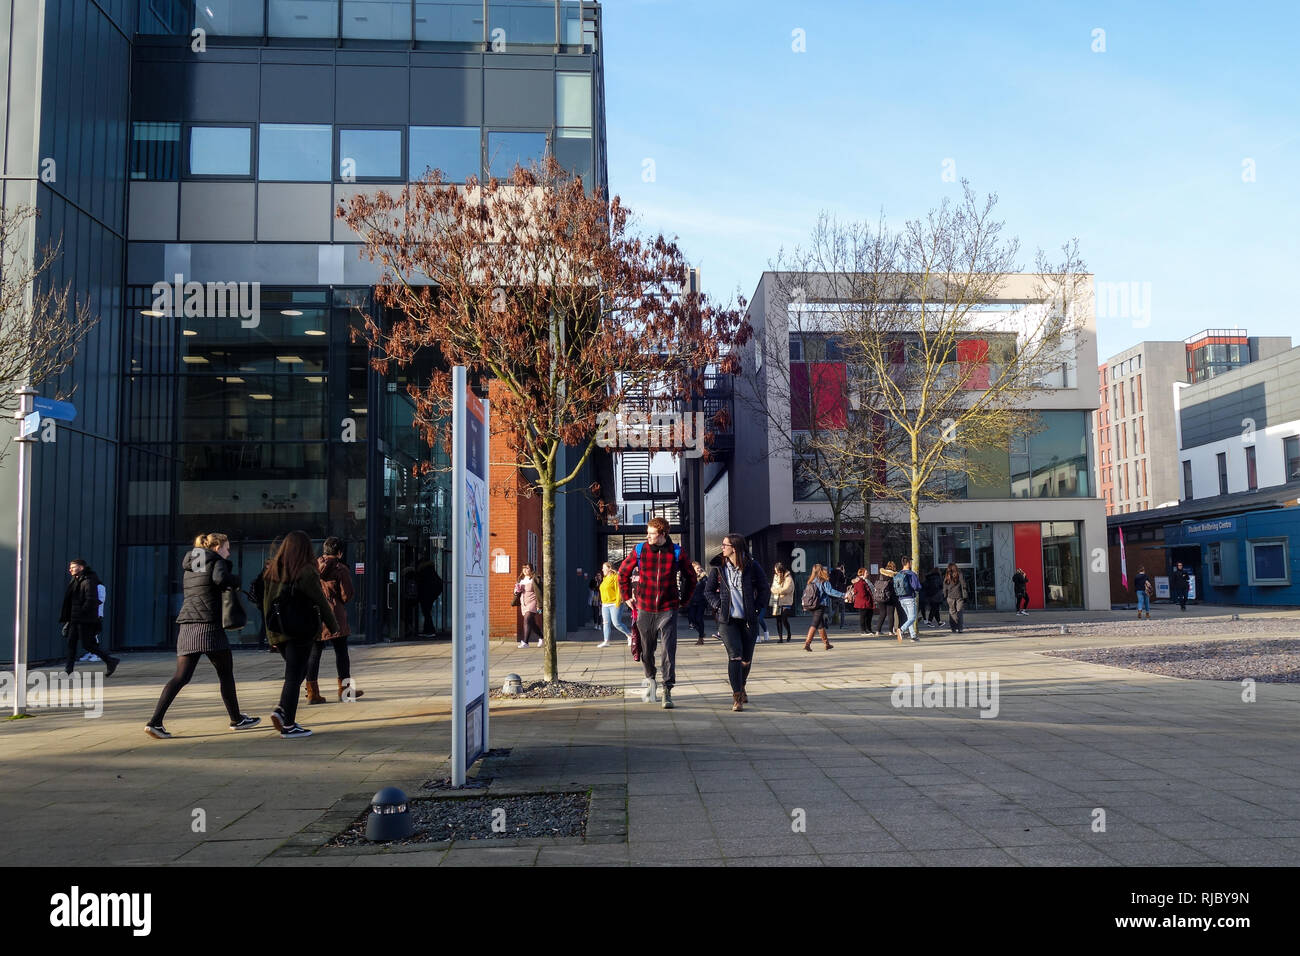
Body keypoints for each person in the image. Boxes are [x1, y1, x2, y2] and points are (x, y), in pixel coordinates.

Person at [144, 534, 257, 738]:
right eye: (226, 548)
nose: (228, 552)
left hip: (187, 624)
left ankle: (155, 722)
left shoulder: (192, 565)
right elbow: (220, 580)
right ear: (216, 547)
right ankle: (237, 719)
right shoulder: (217, 561)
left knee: (181, 677)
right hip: (209, 626)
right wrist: (235, 579)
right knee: (225, 674)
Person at [262, 530, 339, 739]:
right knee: (294, 676)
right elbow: (321, 601)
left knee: (296, 673)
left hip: (280, 630)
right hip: (301, 629)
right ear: (304, 549)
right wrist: (333, 626)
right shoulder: (305, 571)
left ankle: (283, 712)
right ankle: (287, 722)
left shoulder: (273, 571)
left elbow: (266, 604)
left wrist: (271, 635)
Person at [617, 516, 697, 709]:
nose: (648, 536)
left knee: (669, 650)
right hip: (644, 607)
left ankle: (667, 690)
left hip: (668, 608)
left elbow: (691, 577)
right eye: (648, 533)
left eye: (652, 533)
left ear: (662, 534)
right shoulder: (639, 550)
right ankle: (650, 681)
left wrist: (683, 600)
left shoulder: (676, 552)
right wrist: (627, 596)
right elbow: (623, 573)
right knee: (646, 650)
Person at [705, 533, 769, 712]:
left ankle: (742, 684)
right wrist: (718, 605)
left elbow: (764, 588)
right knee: (735, 656)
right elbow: (708, 591)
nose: (722, 547)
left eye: (725, 545)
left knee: (746, 660)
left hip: (749, 619)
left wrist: (757, 608)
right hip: (727, 620)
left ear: (735, 548)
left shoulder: (752, 566)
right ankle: (737, 696)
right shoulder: (718, 568)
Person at [306, 537, 363, 704]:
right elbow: (347, 595)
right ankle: (345, 691)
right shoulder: (340, 568)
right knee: (341, 653)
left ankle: (312, 693)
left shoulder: (313, 566)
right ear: (339, 552)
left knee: (314, 654)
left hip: (316, 614)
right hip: (335, 614)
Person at [59, 558, 119, 678]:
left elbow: (91, 599)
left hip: (84, 620)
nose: (70, 569)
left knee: (88, 645)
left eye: (73, 567)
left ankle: (110, 660)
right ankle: (68, 670)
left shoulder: (89, 581)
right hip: (74, 619)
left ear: (81, 568)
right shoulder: (76, 580)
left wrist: (82, 613)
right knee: (71, 644)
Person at [801, 564, 844, 651]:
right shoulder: (823, 581)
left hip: (811, 605)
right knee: (815, 624)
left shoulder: (811, 581)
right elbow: (830, 591)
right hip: (820, 605)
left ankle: (827, 644)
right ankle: (807, 643)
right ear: (821, 570)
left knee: (820, 624)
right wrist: (843, 595)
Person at [598, 560, 633, 648]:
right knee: (605, 623)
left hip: (614, 603)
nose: (602, 570)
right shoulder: (605, 579)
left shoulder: (615, 577)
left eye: (604, 568)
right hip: (605, 604)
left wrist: (618, 602)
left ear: (609, 569)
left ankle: (630, 635)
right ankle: (606, 641)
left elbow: (618, 591)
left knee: (616, 623)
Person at [893, 557, 922, 642]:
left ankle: (913, 636)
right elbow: (916, 587)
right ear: (908, 563)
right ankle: (901, 630)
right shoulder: (911, 574)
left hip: (901, 598)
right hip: (909, 598)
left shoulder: (899, 573)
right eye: (911, 562)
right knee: (912, 617)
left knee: (909, 618)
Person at [514, 564, 543, 647]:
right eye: (523, 568)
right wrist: (516, 591)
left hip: (533, 602)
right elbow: (516, 592)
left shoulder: (535, 578)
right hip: (524, 603)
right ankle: (542, 637)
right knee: (531, 622)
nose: (525, 570)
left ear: (531, 569)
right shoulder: (521, 579)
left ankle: (525, 642)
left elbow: (539, 592)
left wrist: (540, 606)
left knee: (527, 619)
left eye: (527, 568)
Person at [416, 555, 443, 635]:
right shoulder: (431, 569)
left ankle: (430, 631)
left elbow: (421, 583)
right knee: (427, 612)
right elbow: (438, 582)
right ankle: (427, 630)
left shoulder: (424, 571)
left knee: (426, 612)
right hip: (431, 594)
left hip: (426, 594)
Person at [871, 563, 900, 638]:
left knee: (882, 614)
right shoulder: (892, 576)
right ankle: (890, 631)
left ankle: (878, 630)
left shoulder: (880, 575)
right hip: (890, 597)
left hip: (880, 596)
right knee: (890, 614)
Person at [769, 563, 795, 642]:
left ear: (780, 570)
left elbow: (787, 589)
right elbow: (772, 587)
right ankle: (780, 638)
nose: (775, 572)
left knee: (784, 619)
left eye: (776, 570)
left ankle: (789, 633)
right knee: (778, 620)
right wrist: (776, 590)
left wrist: (777, 591)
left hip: (786, 602)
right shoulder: (775, 577)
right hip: (777, 601)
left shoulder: (788, 578)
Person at [686, 561, 709, 646]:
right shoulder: (690, 577)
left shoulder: (704, 578)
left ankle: (700, 638)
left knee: (699, 619)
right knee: (692, 620)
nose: (699, 569)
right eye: (697, 568)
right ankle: (702, 633)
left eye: (699, 567)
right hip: (691, 602)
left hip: (701, 601)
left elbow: (708, 588)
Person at [943, 562, 969, 634]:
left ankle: (953, 628)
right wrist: (965, 593)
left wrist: (945, 595)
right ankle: (960, 628)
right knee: (959, 612)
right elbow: (963, 584)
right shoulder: (959, 573)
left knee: (952, 612)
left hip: (950, 596)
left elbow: (944, 586)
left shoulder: (947, 575)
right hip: (959, 595)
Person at [849, 567, 875, 634]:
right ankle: (864, 630)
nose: (868, 574)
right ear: (862, 573)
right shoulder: (860, 582)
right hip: (863, 602)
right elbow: (862, 593)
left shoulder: (864, 581)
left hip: (866, 601)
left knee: (868, 616)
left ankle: (868, 629)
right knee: (863, 616)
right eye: (866, 573)